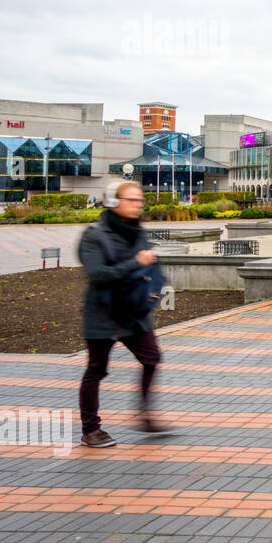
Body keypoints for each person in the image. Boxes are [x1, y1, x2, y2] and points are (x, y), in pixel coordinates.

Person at [77, 181, 172, 448]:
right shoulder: (94, 235)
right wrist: (136, 263)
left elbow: (148, 267)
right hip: (102, 313)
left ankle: (144, 415)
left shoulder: (137, 231)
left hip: (133, 312)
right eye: (131, 200)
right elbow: (97, 274)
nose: (137, 205)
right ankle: (90, 430)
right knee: (96, 370)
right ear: (112, 201)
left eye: (139, 200)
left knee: (152, 358)